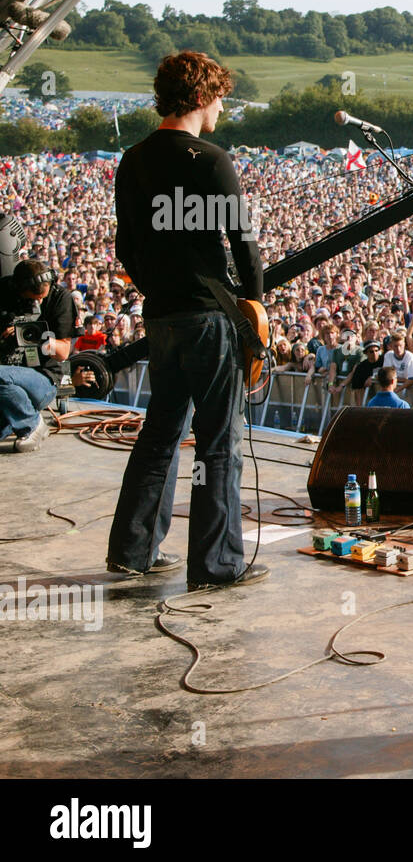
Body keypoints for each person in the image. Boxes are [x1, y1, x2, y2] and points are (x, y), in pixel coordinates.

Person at [106, 51, 268, 591]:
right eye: (221, 96)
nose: (223, 107)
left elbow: (125, 245)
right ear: (201, 97)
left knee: (160, 433)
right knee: (220, 440)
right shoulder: (213, 160)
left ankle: (133, 551)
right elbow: (243, 243)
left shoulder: (134, 159)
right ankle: (217, 564)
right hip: (209, 316)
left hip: (162, 318)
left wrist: (158, 289)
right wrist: (256, 302)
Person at [0, 259, 77, 452]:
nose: (38, 302)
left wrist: (35, 338)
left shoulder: (61, 298)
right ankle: (17, 416)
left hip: (43, 378)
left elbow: (63, 352)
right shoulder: (3, 291)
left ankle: (32, 423)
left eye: (42, 296)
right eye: (32, 297)